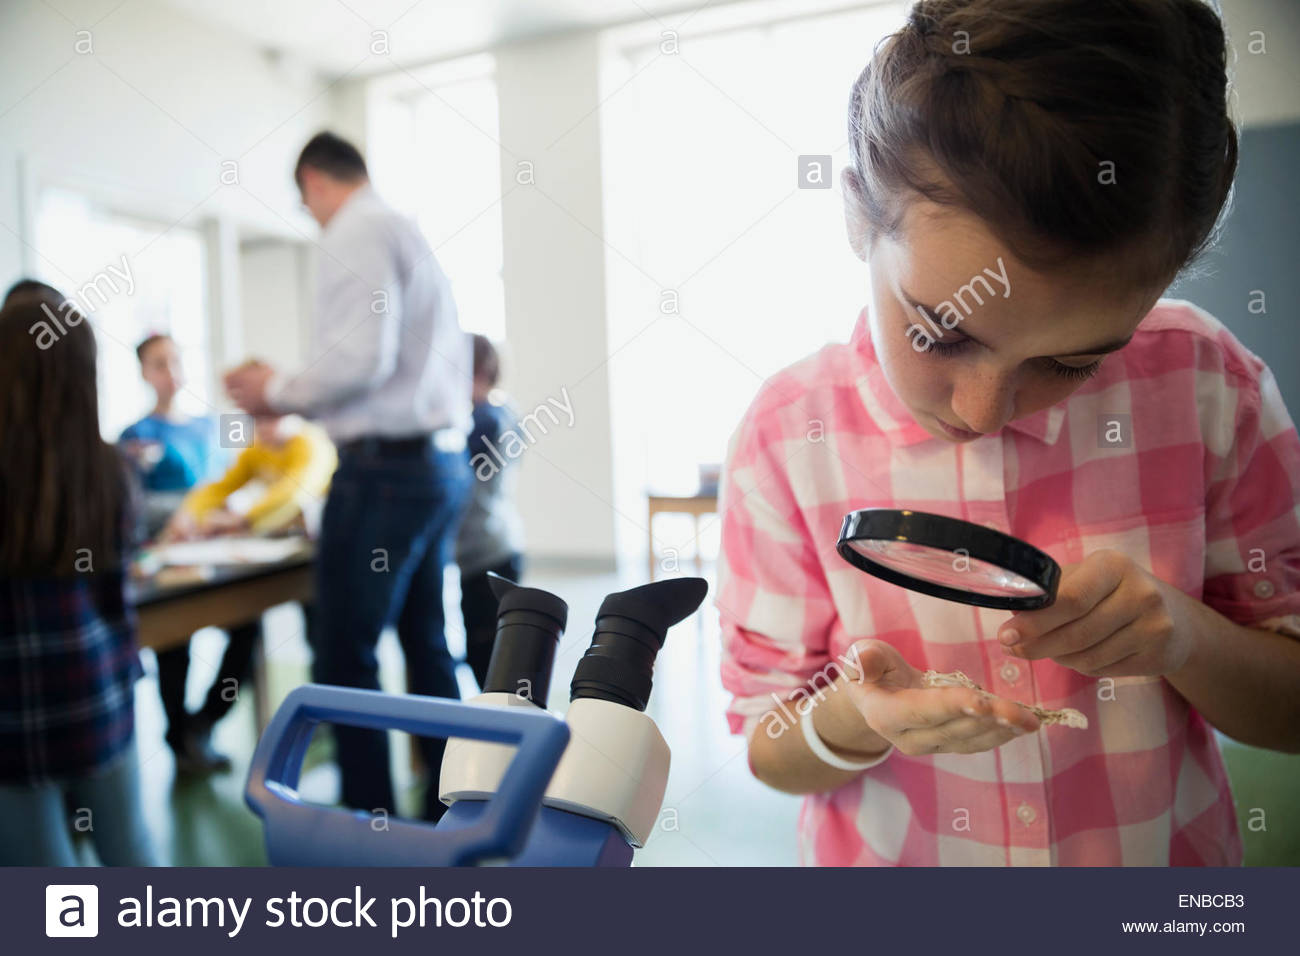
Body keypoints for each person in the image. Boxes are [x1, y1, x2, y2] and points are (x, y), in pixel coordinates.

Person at [718, 0, 1300, 867]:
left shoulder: (1209, 389)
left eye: (1072, 363)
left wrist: (1186, 638)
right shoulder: (785, 437)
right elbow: (769, 741)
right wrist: (855, 715)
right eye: (940, 331)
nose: (981, 412)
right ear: (857, 213)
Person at [225, 131, 472, 821]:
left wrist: (275, 389)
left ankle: (370, 826)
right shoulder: (401, 228)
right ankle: (453, 807)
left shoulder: (354, 229)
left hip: (383, 473)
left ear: (313, 182)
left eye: (306, 203)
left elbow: (360, 358)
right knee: (425, 644)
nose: (311, 215)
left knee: (342, 654)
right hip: (432, 467)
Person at [0, 283, 159, 865]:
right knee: (130, 848)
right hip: (97, 693)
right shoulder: (112, 471)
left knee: (42, 875)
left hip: (13, 713)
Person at [157, 414, 336, 772]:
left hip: (324, 559)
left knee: (325, 641)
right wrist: (188, 515)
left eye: (271, 416)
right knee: (243, 627)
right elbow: (219, 487)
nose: (265, 427)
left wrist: (241, 520)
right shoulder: (257, 449)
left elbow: (292, 492)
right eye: (257, 418)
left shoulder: (310, 443)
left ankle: (330, 719)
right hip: (272, 556)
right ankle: (196, 726)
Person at [457, 335, 526, 688]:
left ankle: (506, 735)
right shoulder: (504, 411)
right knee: (501, 651)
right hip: (500, 543)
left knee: (489, 657)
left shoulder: (482, 421)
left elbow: (460, 484)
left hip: (484, 551)